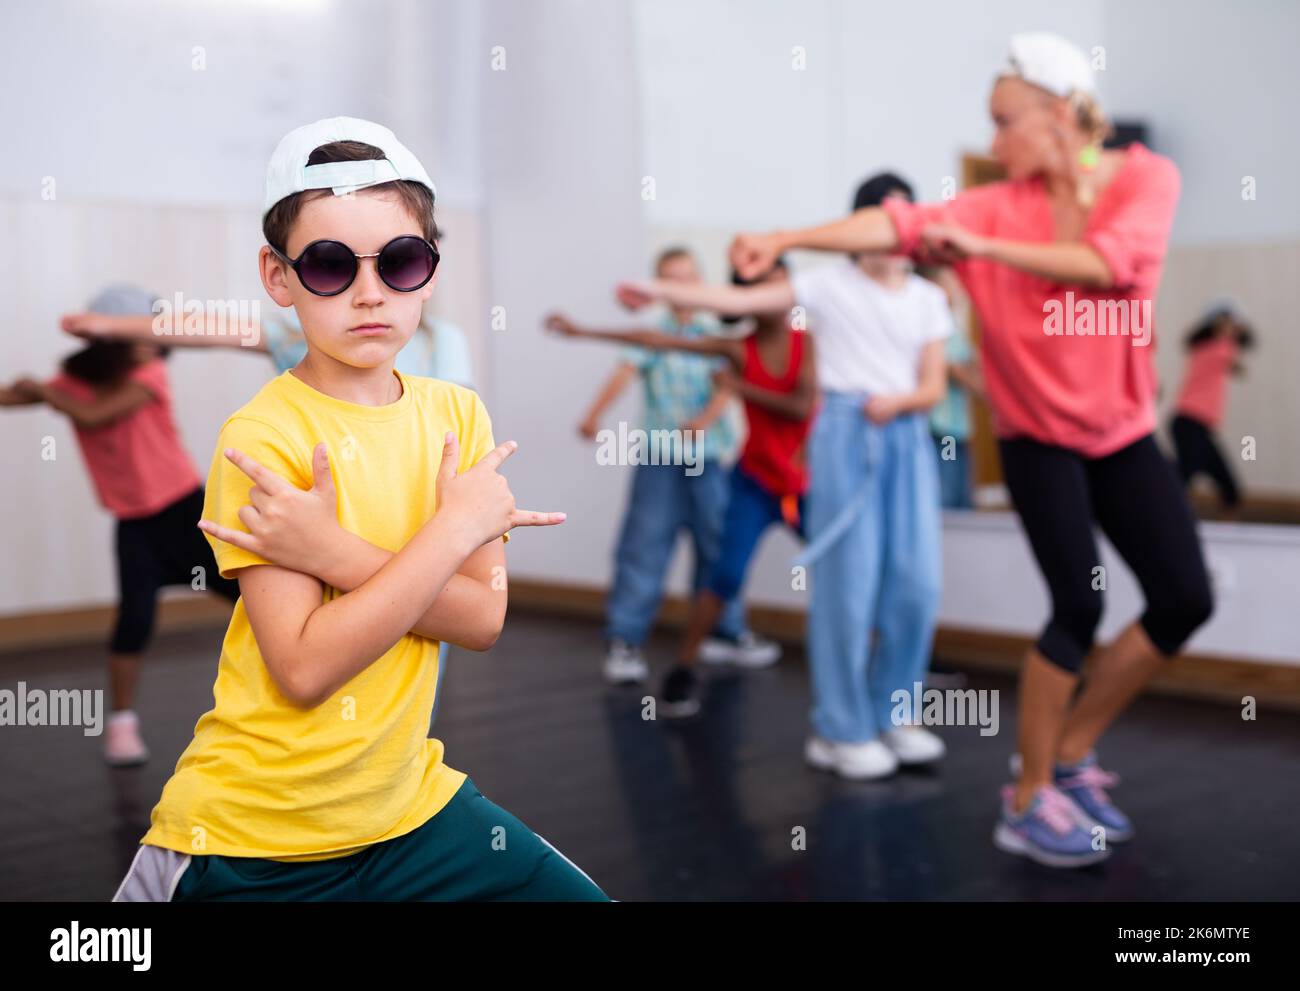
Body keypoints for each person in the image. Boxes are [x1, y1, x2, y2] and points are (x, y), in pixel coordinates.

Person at [729, 33, 1214, 867]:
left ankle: (1072, 749)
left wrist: (982, 250)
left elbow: (1113, 265)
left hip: (1124, 431)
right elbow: (899, 221)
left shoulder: (1142, 177)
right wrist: (789, 235)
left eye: (1004, 122)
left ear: (1059, 115)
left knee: (1183, 598)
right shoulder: (996, 203)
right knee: (1079, 607)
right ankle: (1026, 799)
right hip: (1035, 440)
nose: (993, 144)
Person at [113, 117, 608, 901]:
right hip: (251, 837)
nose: (370, 292)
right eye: (330, 265)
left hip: (408, 809)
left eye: (400, 261)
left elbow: (481, 621)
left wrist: (332, 553)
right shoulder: (264, 436)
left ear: (429, 270)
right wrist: (453, 529)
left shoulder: (460, 415)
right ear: (279, 279)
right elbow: (306, 668)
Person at [613, 173, 950, 777]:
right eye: (877, 219)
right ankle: (839, 729)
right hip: (847, 433)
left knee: (915, 585)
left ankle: (895, 714)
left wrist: (899, 405)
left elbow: (932, 385)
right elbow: (738, 303)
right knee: (849, 586)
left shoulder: (928, 299)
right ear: (856, 229)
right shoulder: (824, 286)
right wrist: (651, 286)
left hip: (905, 438)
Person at [548, 258, 816, 717]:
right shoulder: (692, 334)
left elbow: (758, 394)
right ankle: (627, 641)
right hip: (665, 458)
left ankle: (726, 634)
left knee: (719, 549)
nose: (680, 287)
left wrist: (709, 418)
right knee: (646, 545)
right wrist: (584, 336)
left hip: (714, 458)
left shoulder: (750, 334)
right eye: (670, 280)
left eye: (688, 278)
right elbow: (638, 354)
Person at [0, 285, 240, 767]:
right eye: (146, 326)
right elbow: (21, 397)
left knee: (249, 598)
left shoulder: (150, 373)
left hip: (183, 513)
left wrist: (43, 390)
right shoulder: (76, 382)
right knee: (133, 620)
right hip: (134, 525)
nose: (157, 336)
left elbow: (94, 415)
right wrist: (28, 391)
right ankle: (122, 727)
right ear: (112, 333)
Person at [1169, 298, 1254, 513]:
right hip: (1190, 421)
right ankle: (1162, 512)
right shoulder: (1219, 348)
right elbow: (1241, 354)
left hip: (1193, 423)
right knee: (1187, 474)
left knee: (1216, 480)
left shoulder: (1204, 348)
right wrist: (1229, 326)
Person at [918, 265, 984, 509]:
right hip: (942, 428)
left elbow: (970, 361)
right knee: (947, 496)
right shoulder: (932, 324)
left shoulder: (953, 324)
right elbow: (952, 368)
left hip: (957, 426)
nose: (954, 288)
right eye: (948, 282)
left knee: (960, 493)